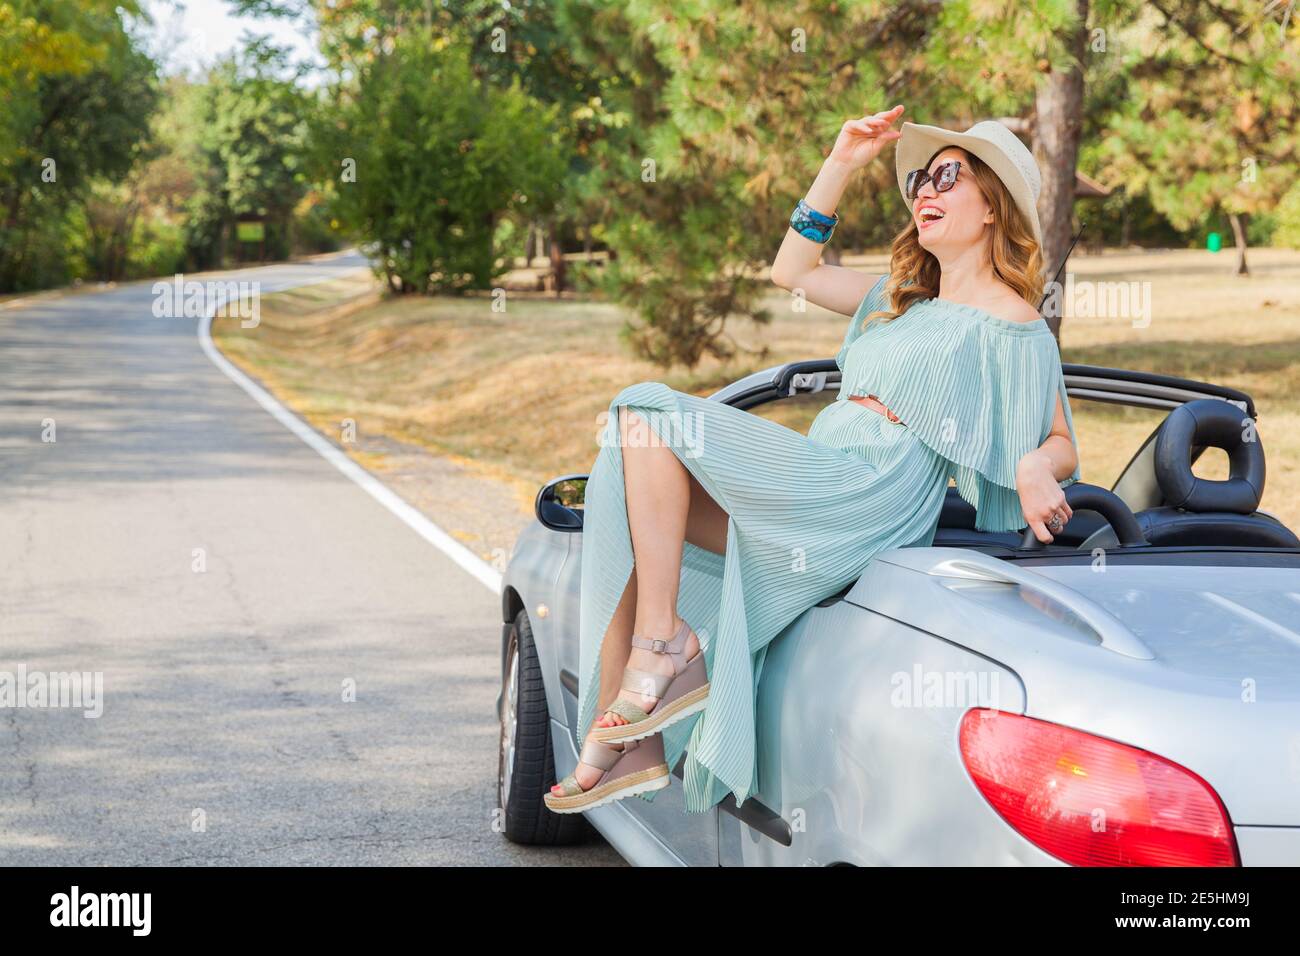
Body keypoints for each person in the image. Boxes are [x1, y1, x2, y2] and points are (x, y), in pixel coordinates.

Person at [543, 104, 1082, 816]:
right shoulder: (895, 301)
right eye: (922, 176)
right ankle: (634, 733)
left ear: (993, 207)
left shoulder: (1014, 322)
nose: (926, 188)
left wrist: (1035, 468)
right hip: (819, 470)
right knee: (629, 454)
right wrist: (841, 161)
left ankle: (664, 651)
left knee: (647, 408)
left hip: (873, 493)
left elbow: (1061, 441)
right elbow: (791, 269)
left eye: (948, 175)